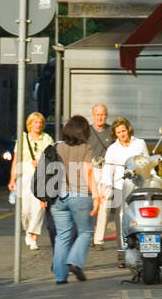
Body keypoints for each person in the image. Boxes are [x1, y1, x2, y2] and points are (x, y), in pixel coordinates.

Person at [43, 114, 98, 283]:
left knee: (62, 236)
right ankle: (74, 262)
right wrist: (96, 195)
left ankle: (60, 277)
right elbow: (88, 171)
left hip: (58, 197)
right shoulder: (86, 148)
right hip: (80, 195)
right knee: (85, 232)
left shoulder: (57, 147)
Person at [102, 116, 149, 253]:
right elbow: (108, 169)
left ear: (128, 129)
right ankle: (122, 252)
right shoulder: (112, 149)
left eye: (123, 131)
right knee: (121, 219)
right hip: (120, 187)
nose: (122, 134)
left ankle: (142, 249)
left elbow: (147, 163)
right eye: (118, 132)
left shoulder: (140, 143)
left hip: (138, 186)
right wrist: (105, 187)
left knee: (140, 217)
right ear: (115, 134)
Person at [8, 111, 53, 249]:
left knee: (38, 209)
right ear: (30, 124)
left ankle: (34, 238)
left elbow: (52, 159)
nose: (38, 125)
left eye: (40, 123)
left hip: (41, 178)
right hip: (24, 177)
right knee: (24, 211)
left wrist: (41, 162)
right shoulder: (22, 139)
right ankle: (28, 231)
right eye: (35, 122)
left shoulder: (47, 139)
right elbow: (16, 160)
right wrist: (12, 179)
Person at [87, 103, 115, 247]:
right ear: (93, 115)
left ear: (106, 115)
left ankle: (99, 239)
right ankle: (88, 234)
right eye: (97, 114)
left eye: (103, 114)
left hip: (107, 171)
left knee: (105, 203)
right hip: (90, 171)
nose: (100, 117)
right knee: (92, 203)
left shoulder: (112, 131)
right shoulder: (87, 131)